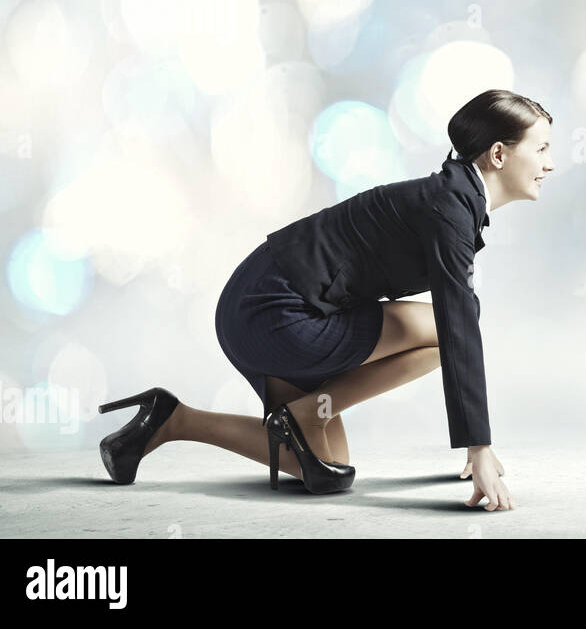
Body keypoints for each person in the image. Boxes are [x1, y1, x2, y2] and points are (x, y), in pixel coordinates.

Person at [96, 89, 554, 511]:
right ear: (498, 153)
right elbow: (457, 327)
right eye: (541, 149)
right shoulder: (449, 207)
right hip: (274, 312)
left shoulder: (452, 200)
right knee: (448, 329)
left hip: (254, 310)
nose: (548, 165)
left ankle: (171, 420)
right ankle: (299, 414)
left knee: (328, 469)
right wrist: (479, 446)